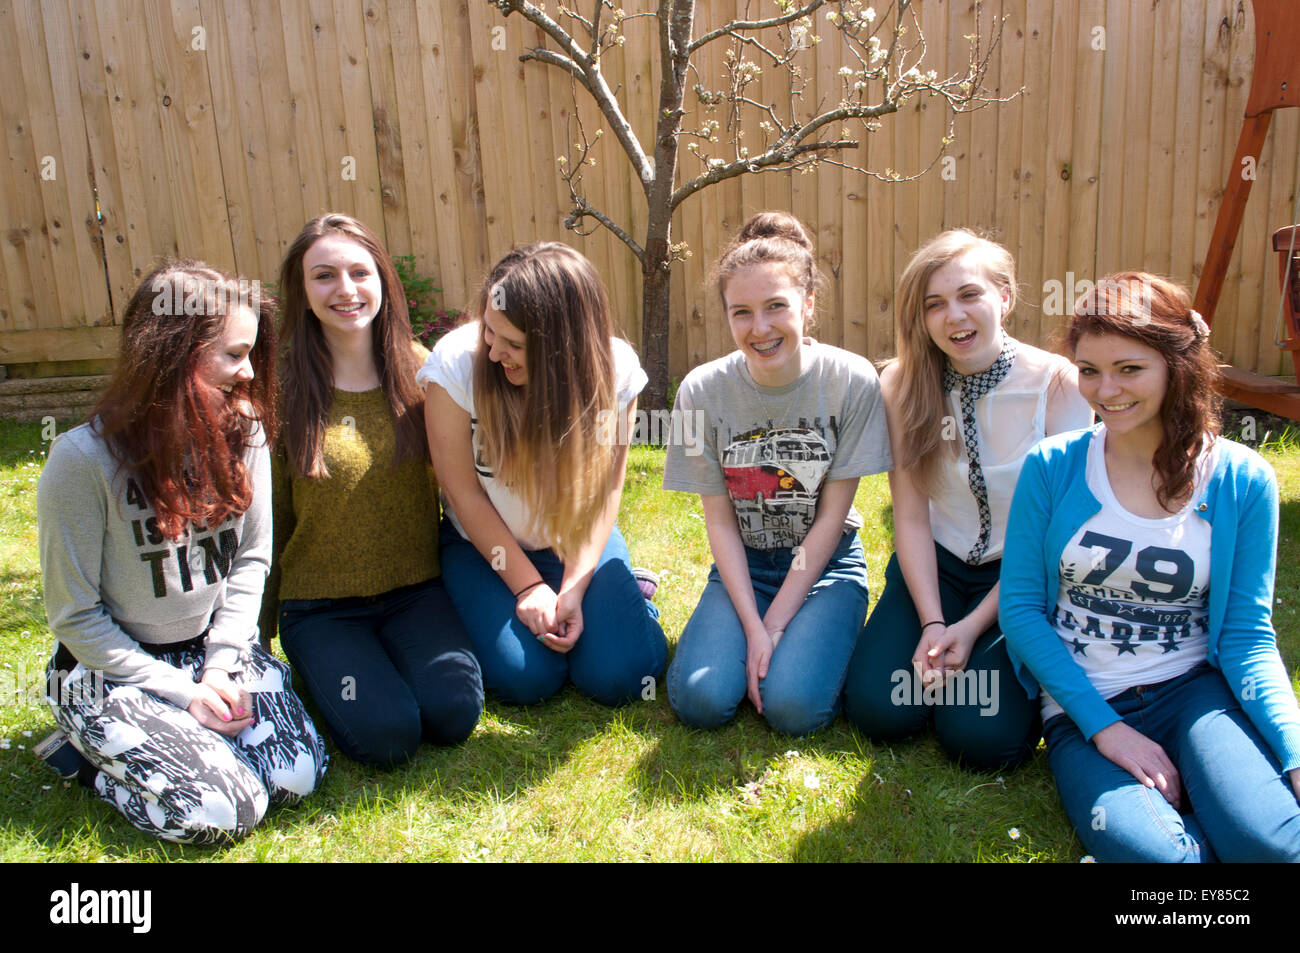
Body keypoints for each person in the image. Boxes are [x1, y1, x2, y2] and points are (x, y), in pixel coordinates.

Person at [1000, 272, 1300, 861]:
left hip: (1194, 694)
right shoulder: (1053, 466)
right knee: (1164, 866)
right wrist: (1102, 728)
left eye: (1129, 369)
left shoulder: (1241, 478)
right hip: (1084, 704)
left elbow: (1247, 637)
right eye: (1089, 370)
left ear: (1176, 365)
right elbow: (1021, 610)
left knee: (1274, 848)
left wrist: (1293, 751)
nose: (1105, 390)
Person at [36, 260, 327, 844]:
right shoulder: (81, 461)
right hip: (109, 671)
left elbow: (250, 561)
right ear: (168, 356)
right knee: (224, 812)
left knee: (297, 777)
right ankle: (87, 759)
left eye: (251, 354)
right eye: (232, 355)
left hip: (211, 655)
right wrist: (183, 696)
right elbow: (75, 618)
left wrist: (220, 665)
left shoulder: (247, 434)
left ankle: (185, 747)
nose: (248, 374)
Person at [841, 230, 1093, 768]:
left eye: (969, 295)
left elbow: (1053, 539)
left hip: (1023, 577)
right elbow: (909, 517)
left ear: (1005, 296)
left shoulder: (1059, 385)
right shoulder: (902, 383)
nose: (954, 317)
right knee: (878, 711)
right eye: (935, 305)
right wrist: (934, 623)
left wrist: (973, 627)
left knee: (980, 741)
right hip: (937, 566)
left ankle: (979, 670)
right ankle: (940, 658)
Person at [261, 213, 483, 766]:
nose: (346, 290)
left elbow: (467, 483)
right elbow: (268, 520)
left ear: (383, 280)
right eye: (324, 276)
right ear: (301, 289)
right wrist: (257, 637)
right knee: (388, 735)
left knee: (453, 715)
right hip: (321, 606)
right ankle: (335, 669)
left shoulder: (422, 371)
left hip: (416, 591)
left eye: (360, 272)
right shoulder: (281, 391)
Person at [664, 212, 892, 735]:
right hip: (743, 565)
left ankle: (820, 635)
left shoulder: (850, 380)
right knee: (700, 702)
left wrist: (774, 624)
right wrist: (751, 623)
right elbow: (719, 521)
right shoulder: (701, 391)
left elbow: (833, 517)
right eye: (741, 312)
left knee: (793, 709)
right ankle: (747, 642)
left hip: (825, 565)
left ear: (808, 304)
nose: (759, 328)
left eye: (776, 307)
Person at [420, 242, 667, 706]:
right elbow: (462, 491)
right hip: (482, 548)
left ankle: (632, 598)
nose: (494, 353)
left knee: (620, 677)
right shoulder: (455, 364)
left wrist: (573, 585)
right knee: (526, 679)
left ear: (563, 349)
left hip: (575, 537)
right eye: (489, 333)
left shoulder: (614, 370)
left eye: (513, 344)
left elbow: (607, 488)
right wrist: (528, 586)